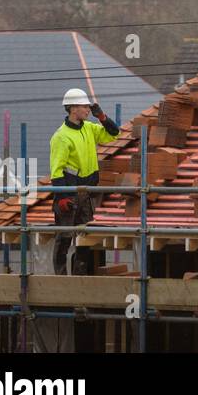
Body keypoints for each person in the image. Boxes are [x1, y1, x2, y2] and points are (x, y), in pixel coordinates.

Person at [49, 87, 120, 275]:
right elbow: (56, 171)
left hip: (86, 193)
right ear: (73, 108)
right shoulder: (61, 137)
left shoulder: (90, 128)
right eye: (84, 107)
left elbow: (114, 134)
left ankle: (80, 276)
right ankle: (60, 279)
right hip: (69, 195)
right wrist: (62, 197)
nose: (88, 110)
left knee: (84, 238)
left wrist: (102, 117)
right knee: (64, 238)